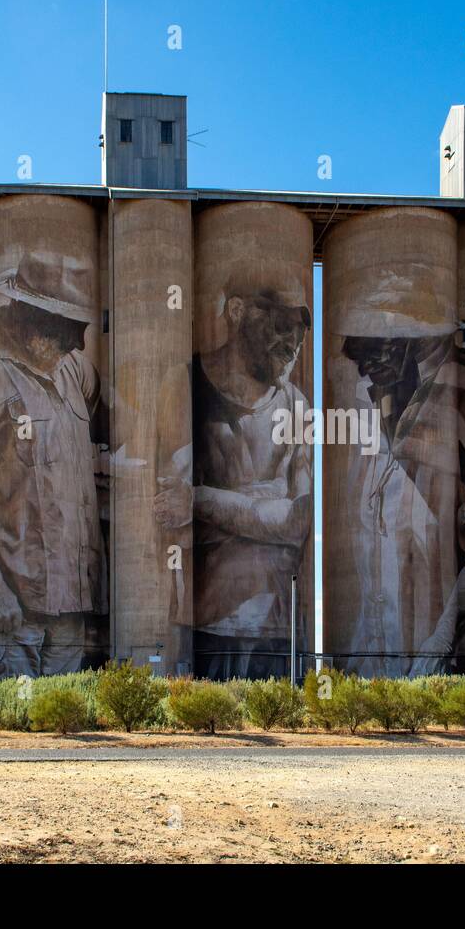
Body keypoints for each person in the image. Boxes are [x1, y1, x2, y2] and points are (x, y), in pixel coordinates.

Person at [335, 284, 465, 677]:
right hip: (381, 668)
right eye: (356, 351)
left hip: (449, 667)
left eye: (372, 348)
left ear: (417, 339)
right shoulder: (375, 404)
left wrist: (441, 641)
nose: (362, 365)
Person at [153, 275, 312, 678]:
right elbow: (168, 513)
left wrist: (202, 500)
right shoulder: (186, 384)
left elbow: (298, 522)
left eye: (300, 330)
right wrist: (264, 505)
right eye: (280, 325)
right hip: (207, 624)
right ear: (238, 311)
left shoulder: (296, 404)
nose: (292, 342)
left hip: (278, 627)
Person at [0, 251, 106, 678]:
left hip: (74, 603)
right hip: (17, 608)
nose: (77, 344)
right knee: (16, 728)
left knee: (64, 723)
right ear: (30, 316)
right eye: (68, 330)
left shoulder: (75, 371)